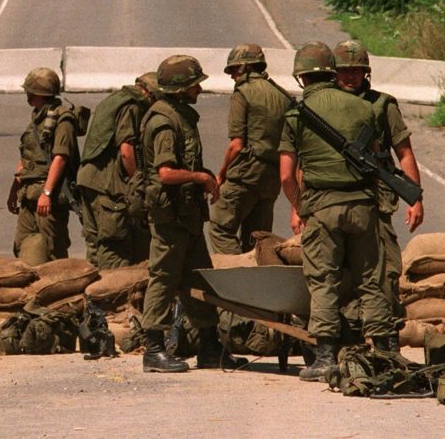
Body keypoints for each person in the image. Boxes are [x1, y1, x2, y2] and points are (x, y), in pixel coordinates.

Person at [279, 42, 396, 382]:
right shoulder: (364, 109)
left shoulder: (296, 115)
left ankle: (326, 356)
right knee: (371, 281)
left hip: (321, 207)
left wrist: (301, 206)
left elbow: (286, 175)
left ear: (301, 77)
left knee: (323, 281)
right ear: (332, 72)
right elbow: (378, 159)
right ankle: (385, 350)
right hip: (362, 206)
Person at [140, 55, 240, 373]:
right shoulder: (164, 121)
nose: (199, 88)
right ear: (181, 88)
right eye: (195, 83)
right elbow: (166, 173)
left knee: (198, 279)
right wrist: (202, 179)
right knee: (164, 279)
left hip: (187, 215)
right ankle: (153, 349)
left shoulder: (181, 115)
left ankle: (209, 346)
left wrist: (202, 175)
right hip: (170, 217)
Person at [333, 40, 424, 331]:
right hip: (334, 197)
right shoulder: (325, 106)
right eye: (344, 71)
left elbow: (405, 153)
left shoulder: (383, 105)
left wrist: (415, 199)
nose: (350, 76)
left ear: (366, 73)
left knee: (385, 267)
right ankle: (343, 329)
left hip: (376, 198)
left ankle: (385, 332)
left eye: (356, 71)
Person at [210, 44, 289, 254]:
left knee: (220, 227)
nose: (232, 76)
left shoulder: (243, 93)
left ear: (245, 68)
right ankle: (256, 282)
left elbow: (236, 144)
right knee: (258, 239)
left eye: (234, 70)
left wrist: (221, 175)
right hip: (271, 177)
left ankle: (234, 277)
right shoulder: (282, 96)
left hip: (245, 174)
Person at [77, 72, 158, 268]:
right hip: (107, 183)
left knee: (96, 245)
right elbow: (126, 150)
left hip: (88, 179)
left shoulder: (113, 99)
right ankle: (111, 295)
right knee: (115, 246)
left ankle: (94, 294)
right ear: (149, 94)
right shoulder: (131, 106)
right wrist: (137, 180)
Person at [6, 67, 78, 266]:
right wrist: (14, 190)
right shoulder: (37, 118)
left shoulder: (63, 119)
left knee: (54, 249)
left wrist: (47, 192)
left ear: (39, 94)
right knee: (21, 245)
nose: (27, 96)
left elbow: (60, 157)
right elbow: (26, 156)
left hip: (48, 198)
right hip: (28, 195)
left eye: (30, 92)